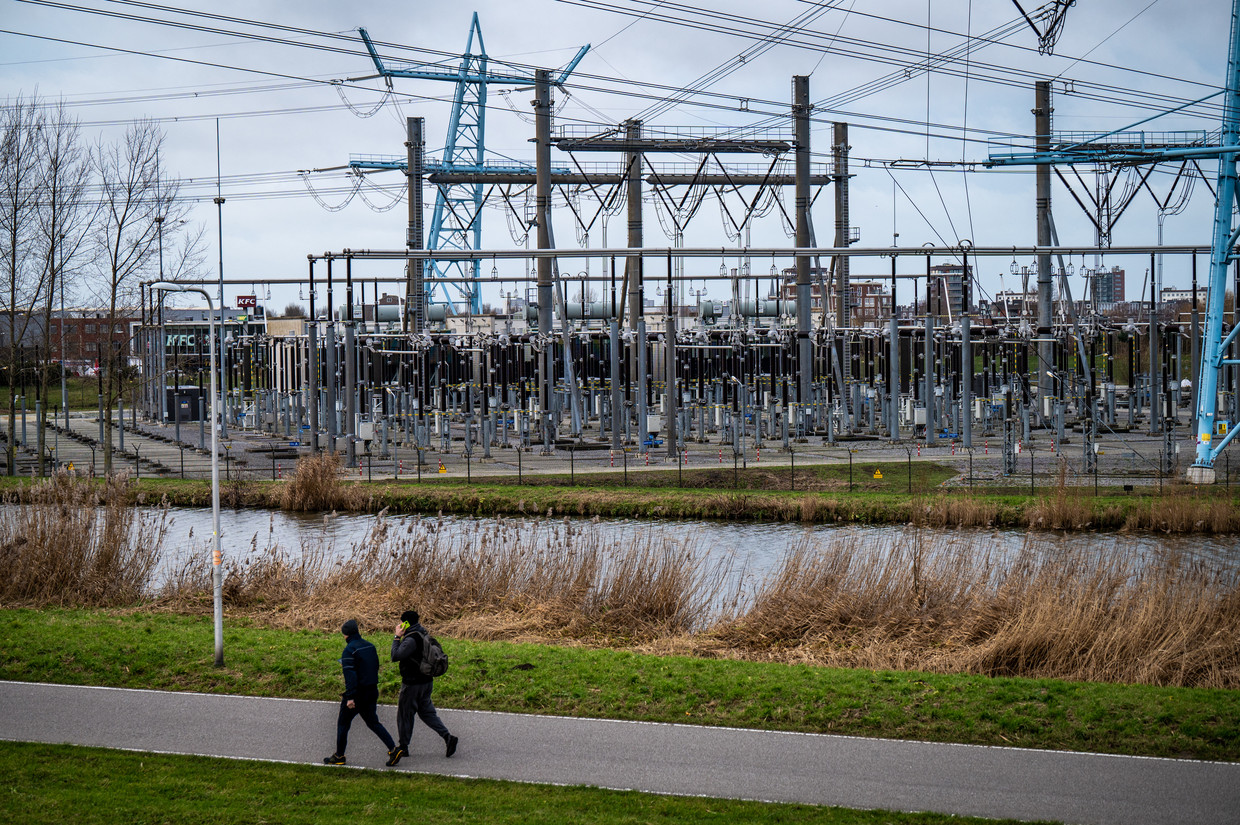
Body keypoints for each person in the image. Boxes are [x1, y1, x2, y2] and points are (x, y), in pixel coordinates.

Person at [385, 609, 458, 766]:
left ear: (405, 623)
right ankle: (448, 737)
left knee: (405, 714)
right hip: (426, 682)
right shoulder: (423, 633)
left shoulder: (411, 639)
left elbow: (395, 655)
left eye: (401, 622)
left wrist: (397, 636)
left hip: (412, 684)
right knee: (427, 713)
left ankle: (403, 747)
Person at [323, 619, 397, 766]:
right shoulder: (370, 646)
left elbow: (350, 676)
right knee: (373, 722)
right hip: (372, 690)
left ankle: (339, 756)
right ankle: (393, 750)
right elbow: (373, 666)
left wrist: (350, 697)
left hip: (357, 694)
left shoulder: (349, 650)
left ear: (346, 635)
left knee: (343, 724)